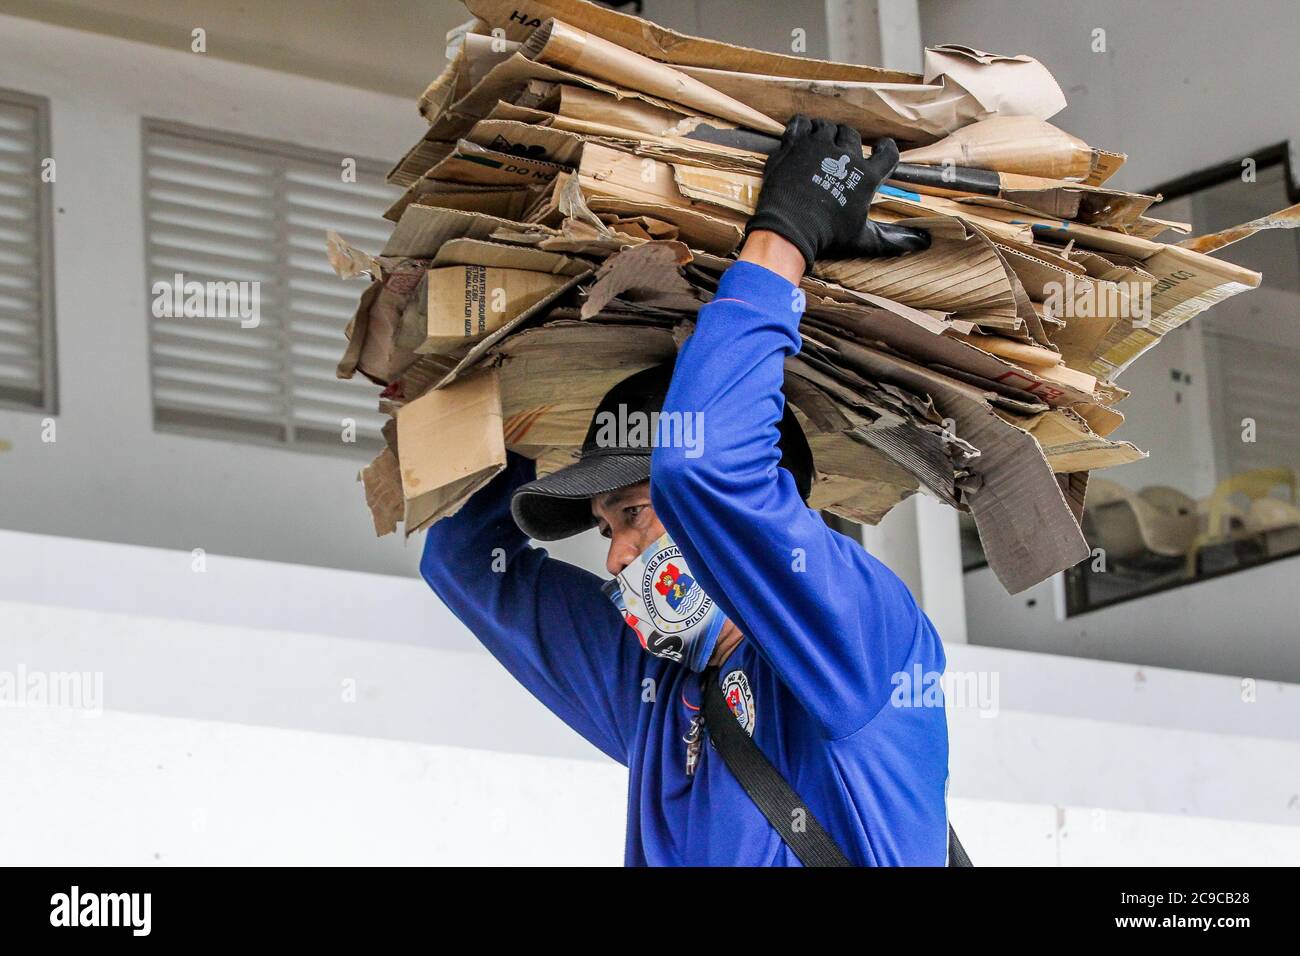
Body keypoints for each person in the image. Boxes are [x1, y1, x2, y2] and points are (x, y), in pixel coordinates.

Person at [421, 116, 951, 866]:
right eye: (606, 531)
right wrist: (516, 375)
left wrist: (786, 235)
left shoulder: (861, 639)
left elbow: (704, 473)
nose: (615, 562)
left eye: (632, 514)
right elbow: (463, 561)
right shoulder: (656, 698)